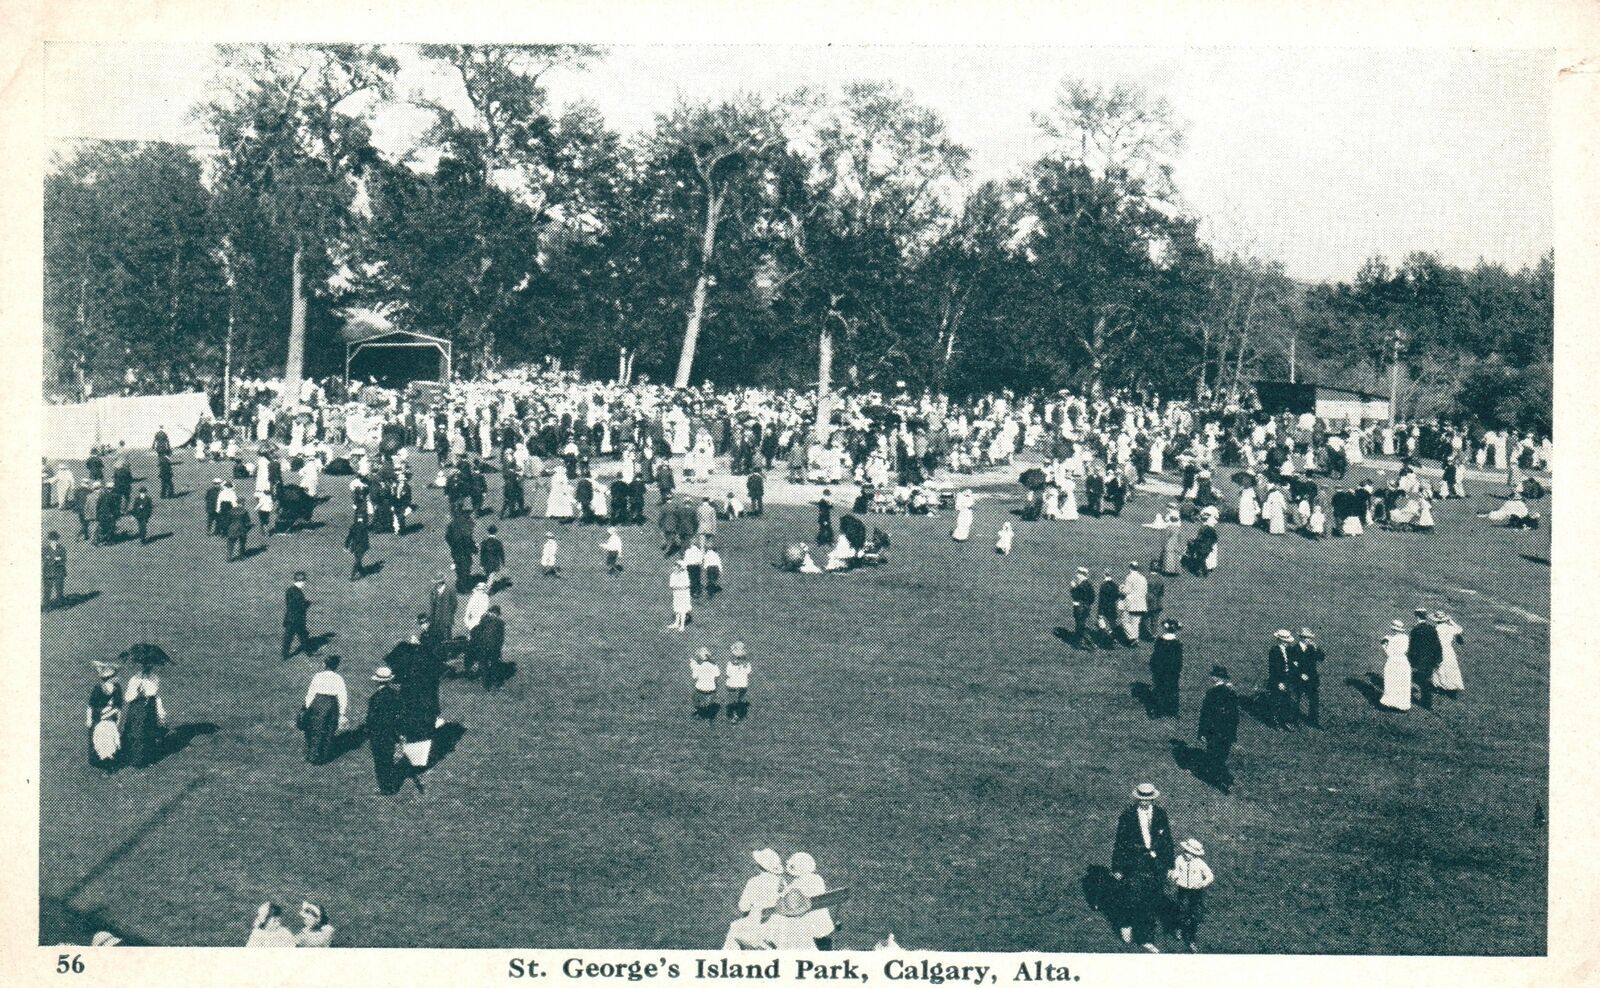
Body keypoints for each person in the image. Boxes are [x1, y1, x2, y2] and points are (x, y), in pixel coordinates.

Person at [1111, 782, 1175, 952]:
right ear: (1137, 799)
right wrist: (1117, 867)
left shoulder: (1160, 814)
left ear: (1153, 799)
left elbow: (1167, 841)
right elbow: (1120, 842)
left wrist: (1170, 865)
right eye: (1141, 799)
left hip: (1156, 865)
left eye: (1148, 799)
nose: (1144, 802)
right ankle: (1126, 924)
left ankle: (1146, 938)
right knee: (1131, 896)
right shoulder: (1128, 816)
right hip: (1134, 862)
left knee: (1151, 900)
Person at [724, 849, 785, 949]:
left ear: (759, 866)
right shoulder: (782, 882)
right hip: (776, 924)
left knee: (734, 928)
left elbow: (743, 907)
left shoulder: (754, 882)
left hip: (757, 924)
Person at [120, 650, 168, 768]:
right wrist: (137, 692)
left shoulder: (155, 678)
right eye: (145, 665)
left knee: (150, 732)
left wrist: (159, 710)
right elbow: (128, 698)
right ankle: (134, 759)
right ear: (141, 665)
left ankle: (147, 758)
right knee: (136, 732)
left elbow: (155, 695)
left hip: (150, 708)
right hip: (137, 708)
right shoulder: (135, 679)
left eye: (150, 665)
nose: (148, 667)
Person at [364, 666, 406, 794]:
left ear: (377, 681)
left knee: (380, 761)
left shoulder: (375, 698)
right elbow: (401, 713)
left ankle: (385, 787)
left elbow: (371, 718)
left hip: (378, 733)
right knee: (388, 758)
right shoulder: (395, 694)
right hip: (391, 732)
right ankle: (390, 785)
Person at [300, 654, 349, 765]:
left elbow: (311, 692)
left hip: (318, 703)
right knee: (329, 730)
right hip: (332, 704)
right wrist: (342, 713)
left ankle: (312, 756)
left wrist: (307, 707)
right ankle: (323, 757)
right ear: (336, 666)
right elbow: (342, 696)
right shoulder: (338, 678)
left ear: (325, 664)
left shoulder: (318, 676)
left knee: (316, 729)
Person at [1196, 665, 1239, 789]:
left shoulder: (1211, 693)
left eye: (1213, 676)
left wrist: (1202, 732)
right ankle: (1225, 778)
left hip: (1213, 731)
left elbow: (1205, 715)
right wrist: (1233, 733)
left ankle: (1217, 779)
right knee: (1222, 755)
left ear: (1215, 678)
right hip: (1227, 731)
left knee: (1213, 755)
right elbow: (1235, 716)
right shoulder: (1231, 692)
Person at [1168, 838, 1214, 952]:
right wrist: (1173, 876)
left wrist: (1202, 883)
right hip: (1183, 889)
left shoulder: (1200, 863)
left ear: (1195, 854)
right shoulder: (1179, 859)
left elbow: (1210, 876)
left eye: (1190, 853)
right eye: (1185, 851)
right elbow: (1176, 871)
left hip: (1196, 891)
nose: (1187, 854)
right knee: (1181, 909)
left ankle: (1191, 939)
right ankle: (1178, 927)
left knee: (1195, 913)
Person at [784, 851, 836, 949]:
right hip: (823, 924)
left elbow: (786, 901)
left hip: (806, 928)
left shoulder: (796, 884)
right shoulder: (818, 879)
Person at [86, 661, 122, 771]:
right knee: (98, 738)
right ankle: (99, 760)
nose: (116, 678)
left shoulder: (117, 688)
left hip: (111, 718)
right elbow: (91, 705)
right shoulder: (98, 688)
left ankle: (109, 760)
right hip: (99, 718)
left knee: (111, 739)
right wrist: (89, 719)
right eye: (114, 677)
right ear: (108, 679)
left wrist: (117, 719)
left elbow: (119, 706)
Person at [1407, 606, 1444, 709]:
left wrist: (1410, 660)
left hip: (1420, 660)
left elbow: (1412, 647)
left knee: (1422, 681)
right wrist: (1438, 658)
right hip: (1430, 659)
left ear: (1417, 616)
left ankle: (1425, 702)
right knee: (1427, 679)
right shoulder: (1432, 628)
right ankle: (1427, 701)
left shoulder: (1415, 630)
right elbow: (1437, 645)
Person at [1149, 619, 1183, 718]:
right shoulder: (1177, 644)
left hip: (1160, 670)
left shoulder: (1160, 642)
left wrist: (1153, 667)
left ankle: (1158, 711)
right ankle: (1172, 711)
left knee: (1159, 688)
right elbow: (1179, 660)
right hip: (1173, 671)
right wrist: (1177, 670)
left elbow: (1155, 657)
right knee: (1173, 689)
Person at [1292, 628, 1324, 727]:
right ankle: (1294, 721)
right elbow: (1292, 665)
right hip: (1298, 679)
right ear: (1302, 638)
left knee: (1314, 700)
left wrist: (1317, 648)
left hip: (1312, 679)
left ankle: (1313, 721)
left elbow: (1321, 658)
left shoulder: (1312, 648)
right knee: (1296, 699)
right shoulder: (1294, 649)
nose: (1310, 640)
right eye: (1308, 638)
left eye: (1310, 638)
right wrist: (1300, 674)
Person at [1267, 629, 1298, 730]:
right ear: (1280, 640)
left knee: (1289, 699)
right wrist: (1278, 683)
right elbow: (1273, 669)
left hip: (1288, 677)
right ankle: (1274, 722)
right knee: (1276, 700)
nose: (1287, 643)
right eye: (1285, 641)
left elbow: (1293, 661)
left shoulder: (1289, 650)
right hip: (1278, 678)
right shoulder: (1274, 651)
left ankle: (1286, 721)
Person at [470, 603, 506, 689]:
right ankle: (496, 684)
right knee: (494, 664)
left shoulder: (483, 621)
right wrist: (499, 648)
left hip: (484, 647)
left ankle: (486, 685)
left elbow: (475, 632)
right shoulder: (500, 623)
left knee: (484, 665)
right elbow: (501, 638)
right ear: (497, 614)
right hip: (493, 647)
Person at [1380, 619, 1413, 712]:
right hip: (1403, 661)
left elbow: (1389, 653)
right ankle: (1402, 705)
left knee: (1392, 682)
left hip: (1393, 661)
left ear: (1394, 629)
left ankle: (1392, 703)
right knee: (1402, 683)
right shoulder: (1406, 637)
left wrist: (1384, 646)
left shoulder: (1392, 639)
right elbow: (1405, 650)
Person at [1431, 610, 1465, 695]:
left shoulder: (1435, 629)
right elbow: (1460, 630)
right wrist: (1451, 621)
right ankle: (1451, 687)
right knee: (1451, 666)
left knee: (1439, 667)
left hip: (1438, 649)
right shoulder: (1449, 628)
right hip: (1448, 650)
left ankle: (1440, 686)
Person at [282, 573, 313, 660]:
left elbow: (289, 604)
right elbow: (300, 606)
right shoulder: (298, 592)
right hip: (297, 618)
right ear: (300, 581)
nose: (304, 584)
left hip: (290, 618)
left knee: (288, 637)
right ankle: (309, 652)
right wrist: (307, 604)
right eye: (303, 581)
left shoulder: (290, 590)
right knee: (303, 636)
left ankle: (285, 655)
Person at [1119, 562, 1147, 646]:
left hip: (1131, 603)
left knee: (1124, 621)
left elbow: (1126, 591)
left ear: (1130, 567)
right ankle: (1135, 639)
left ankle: (1132, 637)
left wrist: (1121, 588)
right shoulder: (1143, 578)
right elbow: (1145, 591)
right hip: (1141, 603)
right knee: (1135, 622)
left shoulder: (1129, 577)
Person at [1069, 567, 1097, 650]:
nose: (1076, 576)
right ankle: (1077, 643)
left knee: (1080, 626)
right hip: (1086, 607)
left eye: (1078, 574)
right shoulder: (1089, 584)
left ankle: (1090, 644)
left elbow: (1075, 596)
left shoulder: (1080, 586)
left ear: (1081, 575)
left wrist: (1073, 588)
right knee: (1080, 625)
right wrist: (1087, 604)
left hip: (1079, 607)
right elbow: (1092, 597)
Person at [726, 642, 751, 722]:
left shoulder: (730, 663)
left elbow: (728, 673)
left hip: (732, 684)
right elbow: (749, 672)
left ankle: (734, 715)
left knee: (733, 700)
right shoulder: (746, 663)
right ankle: (738, 713)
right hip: (743, 684)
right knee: (740, 699)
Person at [692, 647, 720, 718]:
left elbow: (694, 676)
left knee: (696, 697)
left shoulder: (698, 666)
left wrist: (693, 667)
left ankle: (701, 712)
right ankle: (706, 710)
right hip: (711, 688)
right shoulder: (714, 665)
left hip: (700, 688)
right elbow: (717, 675)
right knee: (707, 700)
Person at [42, 531, 66, 609]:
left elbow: (64, 560)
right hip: (48, 572)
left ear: (57, 540)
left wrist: (51, 559)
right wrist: (56, 559)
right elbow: (44, 560)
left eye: (55, 540)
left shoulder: (61, 548)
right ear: (49, 540)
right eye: (52, 540)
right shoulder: (45, 549)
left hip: (59, 572)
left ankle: (60, 604)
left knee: (59, 589)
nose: (54, 542)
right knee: (47, 590)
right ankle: (46, 606)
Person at [480, 525, 506, 590]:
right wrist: (503, 562)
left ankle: (488, 586)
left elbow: (482, 554)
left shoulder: (485, 542)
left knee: (488, 574)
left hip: (486, 561)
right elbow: (501, 553)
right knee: (492, 573)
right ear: (495, 532)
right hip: (495, 561)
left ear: (488, 532)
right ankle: (489, 587)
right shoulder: (498, 542)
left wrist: (481, 563)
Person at [670, 560, 692, 630]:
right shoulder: (673, 575)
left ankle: (682, 625)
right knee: (676, 608)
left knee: (682, 609)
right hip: (676, 594)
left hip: (684, 594)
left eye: (677, 566)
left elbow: (686, 585)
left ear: (680, 568)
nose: (674, 568)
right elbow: (671, 585)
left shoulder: (684, 575)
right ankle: (676, 623)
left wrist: (678, 586)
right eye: (674, 566)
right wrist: (678, 586)